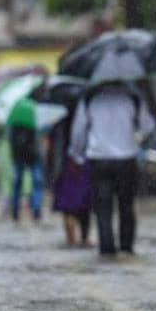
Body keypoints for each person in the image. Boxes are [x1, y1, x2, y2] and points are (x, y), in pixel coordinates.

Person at [69, 84, 155, 256]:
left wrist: (76, 155)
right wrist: (135, 136)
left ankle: (107, 249)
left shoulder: (90, 99)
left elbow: (78, 131)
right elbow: (148, 126)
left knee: (102, 206)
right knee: (126, 205)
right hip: (127, 158)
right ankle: (126, 247)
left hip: (99, 159)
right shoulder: (132, 97)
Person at [51, 103, 93, 247]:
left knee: (69, 204)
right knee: (83, 203)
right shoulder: (86, 112)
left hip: (69, 162)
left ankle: (72, 240)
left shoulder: (59, 118)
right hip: (80, 161)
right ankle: (83, 239)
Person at [8, 118, 43, 222]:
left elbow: (11, 139)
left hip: (23, 154)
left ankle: (16, 209)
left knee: (18, 182)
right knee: (35, 181)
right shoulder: (34, 118)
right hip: (31, 154)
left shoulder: (14, 121)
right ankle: (35, 209)